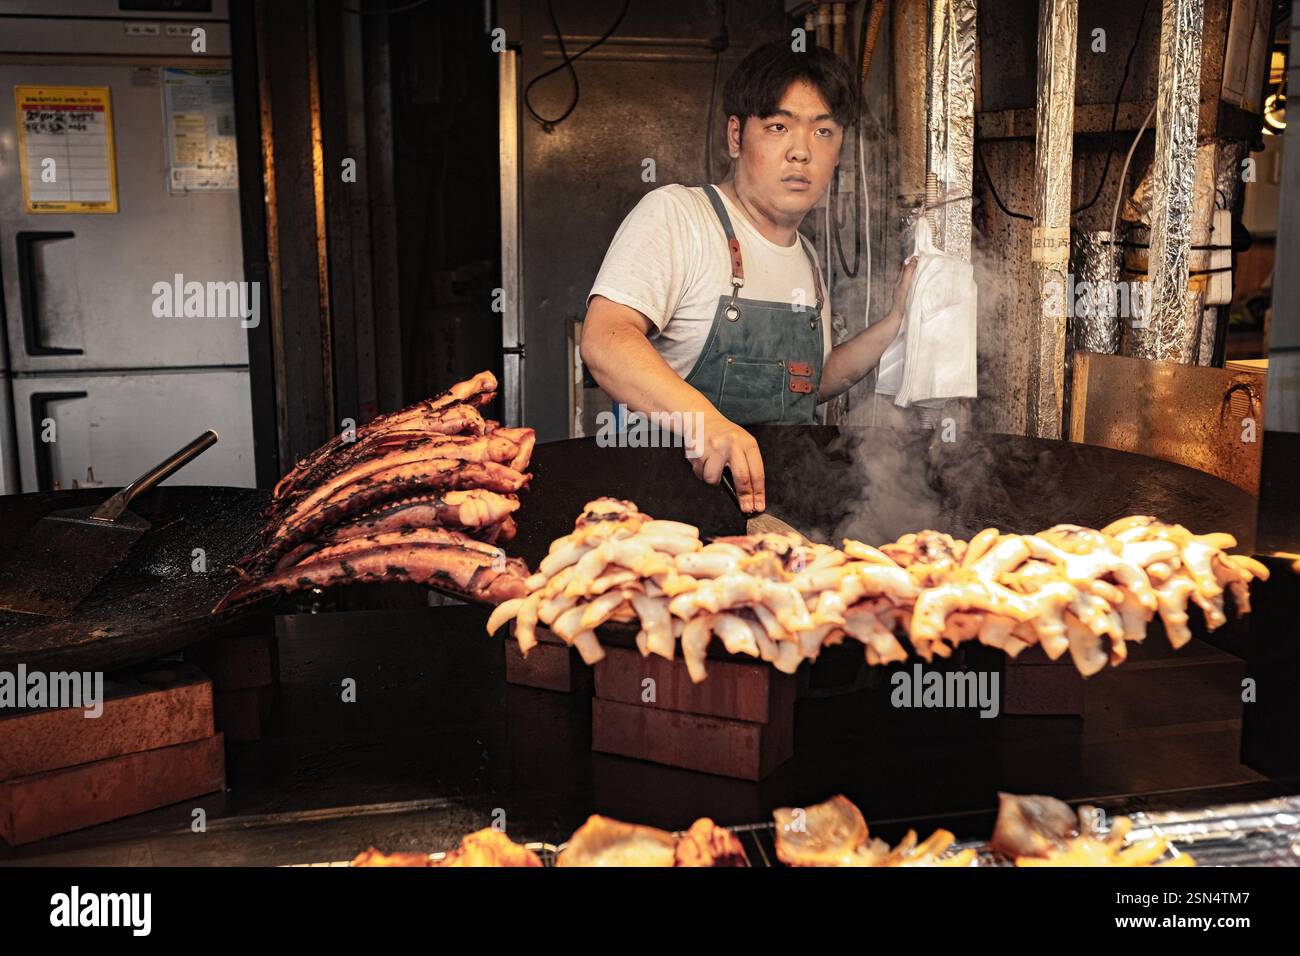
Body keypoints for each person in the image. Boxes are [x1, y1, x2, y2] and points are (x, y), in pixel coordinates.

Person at [581, 39, 916, 513]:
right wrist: (706, 423)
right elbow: (605, 340)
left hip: (777, 521)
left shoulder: (807, 258)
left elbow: (807, 384)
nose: (800, 152)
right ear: (736, 137)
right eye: (779, 127)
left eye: (823, 132)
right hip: (668, 519)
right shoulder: (679, 215)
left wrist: (895, 322)